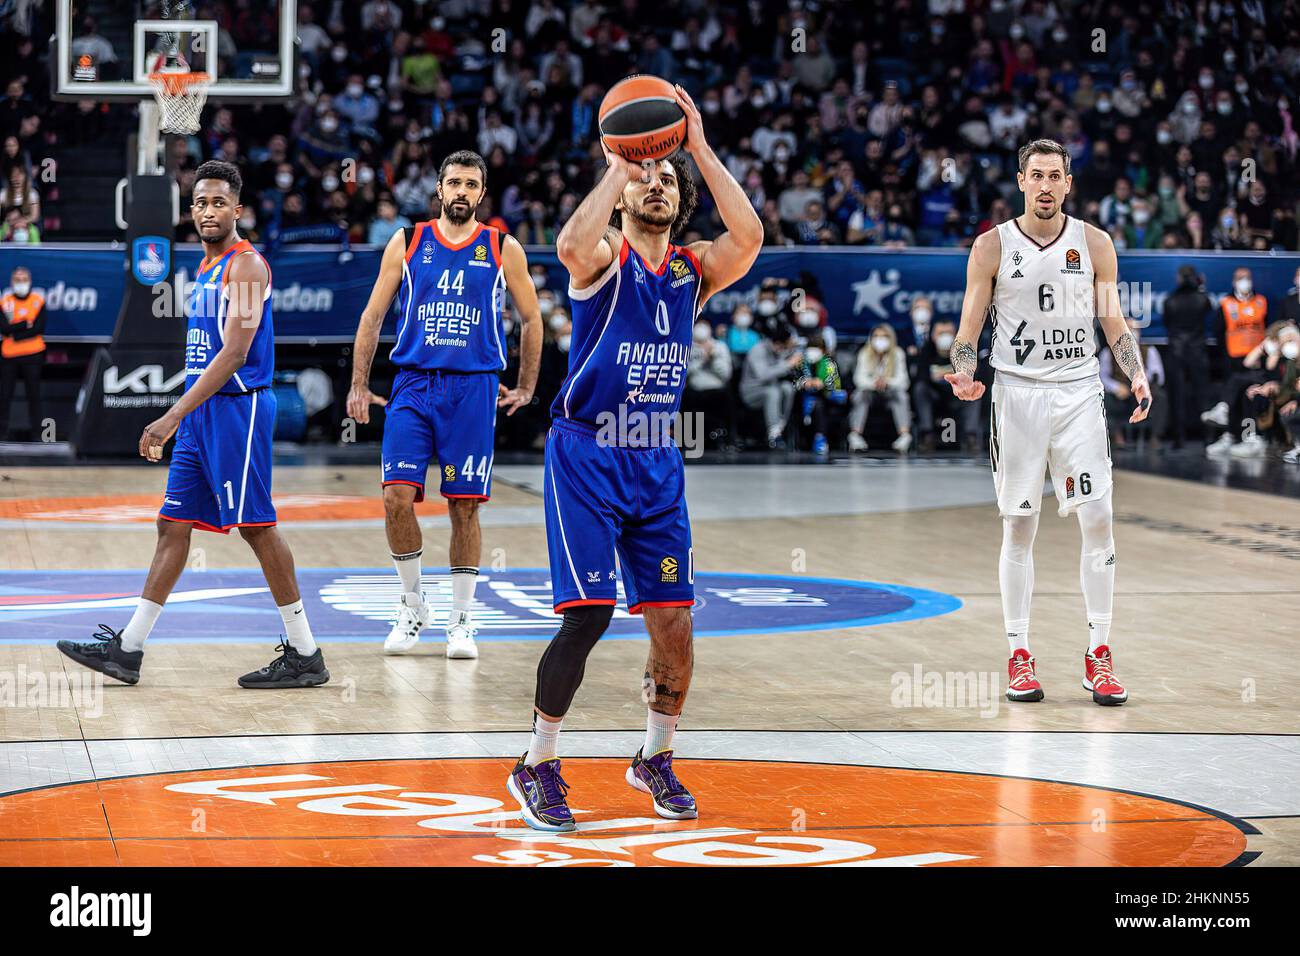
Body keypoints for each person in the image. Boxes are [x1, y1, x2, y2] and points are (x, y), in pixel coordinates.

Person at [507, 85, 761, 832]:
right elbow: (568, 248)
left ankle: (654, 757)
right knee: (585, 616)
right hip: (585, 453)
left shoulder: (691, 270)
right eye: (651, 175)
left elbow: (746, 238)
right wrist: (620, 164)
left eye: (668, 179)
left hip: (655, 459)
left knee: (675, 626)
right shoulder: (605, 259)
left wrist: (700, 148)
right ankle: (537, 763)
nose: (660, 182)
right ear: (623, 193)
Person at [56, 161, 328, 688]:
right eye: (200, 203)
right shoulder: (203, 267)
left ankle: (305, 652)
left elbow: (234, 352)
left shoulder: (246, 266)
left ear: (237, 209)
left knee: (256, 525)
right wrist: (186, 414)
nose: (208, 211)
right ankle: (128, 649)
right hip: (203, 414)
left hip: (238, 409)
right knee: (172, 523)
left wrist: (171, 414)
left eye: (218, 202)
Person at [946, 139, 1153, 708]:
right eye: (1034, 175)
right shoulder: (991, 247)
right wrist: (963, 373)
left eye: (1054, 176)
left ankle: (1099, 653)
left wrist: (1134, 373)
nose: (1044, 185)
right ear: (1020, 181)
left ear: (1068, 184)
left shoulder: (1095, 243)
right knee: (1019, 528)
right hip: (1016, 394)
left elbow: (1113, 321)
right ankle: (1019, 652)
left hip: (1080, 392)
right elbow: (968, 331)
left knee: (1099, 518)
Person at [348, 150, 541, 660]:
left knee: (464, 507)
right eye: (453, 182)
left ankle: (462, 620)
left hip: (474, 388)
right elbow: (371, 317)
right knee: (395, 498)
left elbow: (532, 319)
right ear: (438, 189)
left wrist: (525, 385)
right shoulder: (409, 240)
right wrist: (357, 384)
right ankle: (413, 604)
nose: (460, 191)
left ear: (481, 193)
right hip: (413, 384)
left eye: (470, 184)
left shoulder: (502, 247)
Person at [1202, 266, 1266, 427]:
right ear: (1234, 282)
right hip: (1233, 358)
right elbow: (1218, 332)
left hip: (1257, 358)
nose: (1244, 282)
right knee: (1235, 392)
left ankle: (1251, 435)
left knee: (1251, 395)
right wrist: (1226, 354)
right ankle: (1231, 433)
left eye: (1247, 278)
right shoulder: (1226, 303)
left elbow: (1270, 329)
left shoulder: (1261, 302)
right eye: (1240, 278)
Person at [1161, 265, 1213, 448]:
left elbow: (1167, 323)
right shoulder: (1202, 299)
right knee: (1202, 395)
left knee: (1177, 396)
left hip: (1176, 352)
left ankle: (1178, 438)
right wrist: (1201, 287)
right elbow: (1208, 309)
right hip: (1197, 351)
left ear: (1180, 278)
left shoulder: (1170, 300)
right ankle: (1208, 436)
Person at [849, 323, 912, 452]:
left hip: (890, 394)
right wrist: (874, 383)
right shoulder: (864, 353)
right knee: (860, 394)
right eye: (876, 336)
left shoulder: (898, 353)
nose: (880, 339)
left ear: (891, 338)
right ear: (871, 338)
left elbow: (903, 381)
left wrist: (887, 382)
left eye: (884, 336)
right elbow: (859, 379)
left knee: (901, 395)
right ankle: (855, 436)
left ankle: (904, 436)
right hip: (871, 394)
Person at [740, 319, 802, 448]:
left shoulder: (782, 349)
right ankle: (774, 434)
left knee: (788, 388)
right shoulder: (758, 350)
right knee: (772, 392)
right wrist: (788, 364)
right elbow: (763, 376)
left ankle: (780, 426)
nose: (786, 350)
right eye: (784, 347)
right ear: (777, 344)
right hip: (751, 392)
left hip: (773, 388)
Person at [0, 266, 45, 440]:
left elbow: (39, 328)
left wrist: (15, 333)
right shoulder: (5, 302)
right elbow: (4, 328)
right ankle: (2, 434)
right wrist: (25, 323)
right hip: (9, 356)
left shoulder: (38, 301)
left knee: (34, 395)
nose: (21, 282)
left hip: (33, 354)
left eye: (24, 279)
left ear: (30, 281)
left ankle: (38, 434)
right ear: (12, 282)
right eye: (17, 279)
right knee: (4, 396)